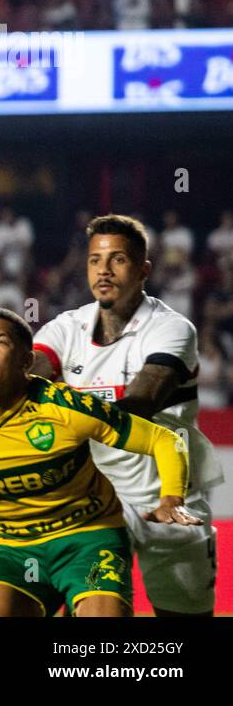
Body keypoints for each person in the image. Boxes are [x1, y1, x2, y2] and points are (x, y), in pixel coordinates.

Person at [0, 309, 195, 616]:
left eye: (0, 341)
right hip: (14, 549)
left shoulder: (67, 408)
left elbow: (164, 440)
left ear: (26, 362)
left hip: (89, 540)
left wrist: (171, 498)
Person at [30, 214, 224, 616]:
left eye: (117, 260)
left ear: (143, 269)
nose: (103, 270)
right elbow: (26, 377)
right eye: (95, 260)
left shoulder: (172, 328)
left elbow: (143, 400)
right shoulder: (65, 328)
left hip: (170, 502)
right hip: (94, 504)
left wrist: (63, 413)